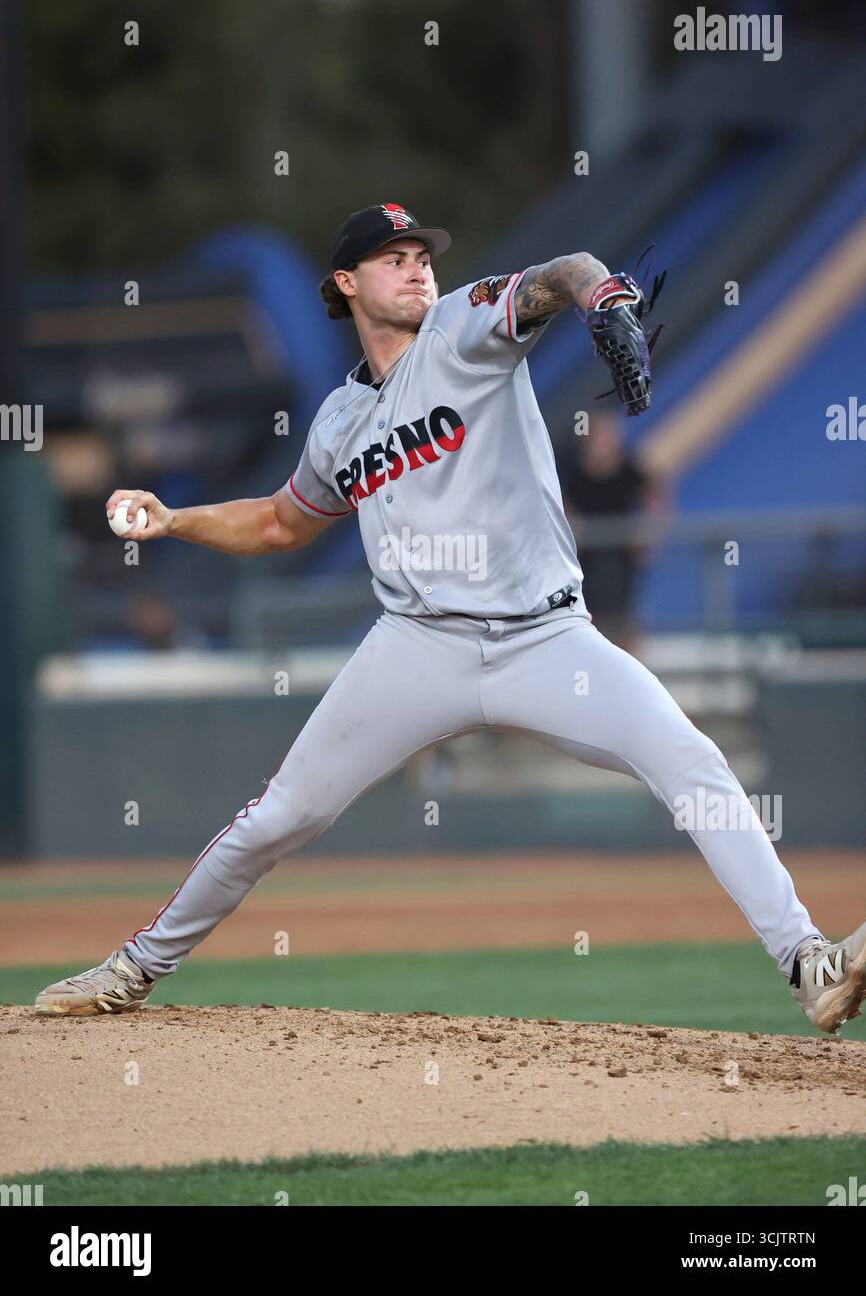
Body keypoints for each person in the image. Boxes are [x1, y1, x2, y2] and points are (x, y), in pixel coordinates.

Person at [35, 202, 865, 1035]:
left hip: (548, 639)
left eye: (420, 253)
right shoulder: (336, 421)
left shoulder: (467, 327)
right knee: (283, 815)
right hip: (417, 646)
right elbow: (281, 523)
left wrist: (600, 295)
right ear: (346, 284)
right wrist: (175, 519)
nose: (417, 266)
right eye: (393, 257)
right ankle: (136, 967)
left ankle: (808, 963)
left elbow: (563, 269)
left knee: (692, 761)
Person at [561, 412, 665, 655]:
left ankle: (632, 674)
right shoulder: (575, 472)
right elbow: (561, 503)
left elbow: (657, 493)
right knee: (589, 622)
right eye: (598, 436)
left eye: (608, 436)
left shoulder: (629, 469)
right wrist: (571, 535)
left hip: (621, 561)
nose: (603, 442)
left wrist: (649, 534)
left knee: (625, 622)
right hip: (587, 562)